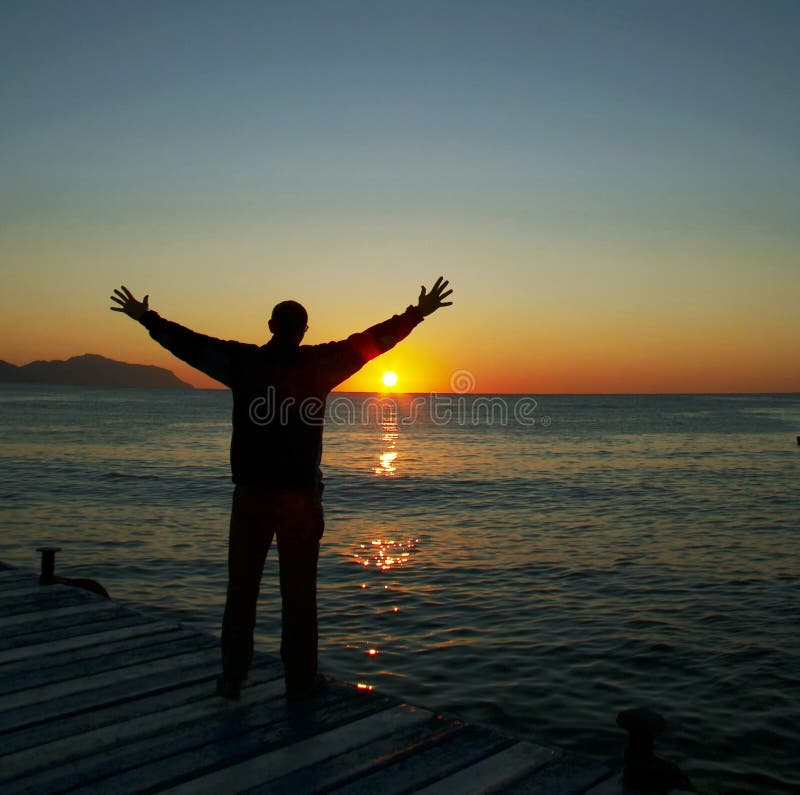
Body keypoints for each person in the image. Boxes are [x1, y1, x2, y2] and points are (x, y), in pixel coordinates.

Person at [109, 278, 453, 701]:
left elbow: (191, 345)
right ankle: (300, 681)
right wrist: (417, 313)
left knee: (242, 592)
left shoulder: (242, 363)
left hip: (252, 494)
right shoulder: (321, 364)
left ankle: (234, 678)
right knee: (299, 594)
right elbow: (372, 342)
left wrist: (147, 318)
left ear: (270, 324)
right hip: (298, 499)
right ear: (304, 330)